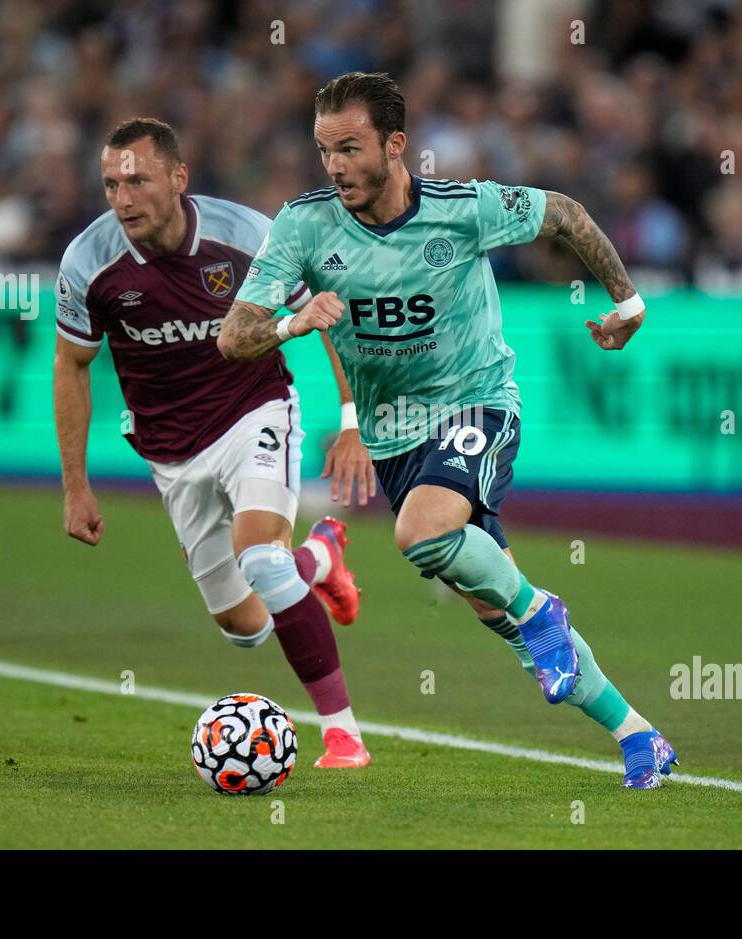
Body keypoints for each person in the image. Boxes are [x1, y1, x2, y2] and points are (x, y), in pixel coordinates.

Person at [219, 74, 677, 788]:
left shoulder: (462, 209)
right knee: (498, 609)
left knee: (423, 534)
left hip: (476, 405)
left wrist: (630, 300)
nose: (333, 164)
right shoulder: (305, 225)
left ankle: (542, 609)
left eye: (350, 147)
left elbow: (564, 213)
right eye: (323, 149)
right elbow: (232, 335)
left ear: (395, 145)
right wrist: (290, 322)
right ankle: (638, 733)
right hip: (396, 442)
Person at [53, 117, 371, 769]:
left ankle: (343, 733)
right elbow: (72, 365)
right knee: (246, 626)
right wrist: (76, 485)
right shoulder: (90, 262)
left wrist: (350, 418)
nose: (122, 198)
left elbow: (329, 315)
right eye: (111, 183)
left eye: (136, 181)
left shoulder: (248, 236)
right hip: (171, 451)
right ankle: (319, 557)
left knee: (260, 558)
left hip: (254, 410)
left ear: (177, 178)